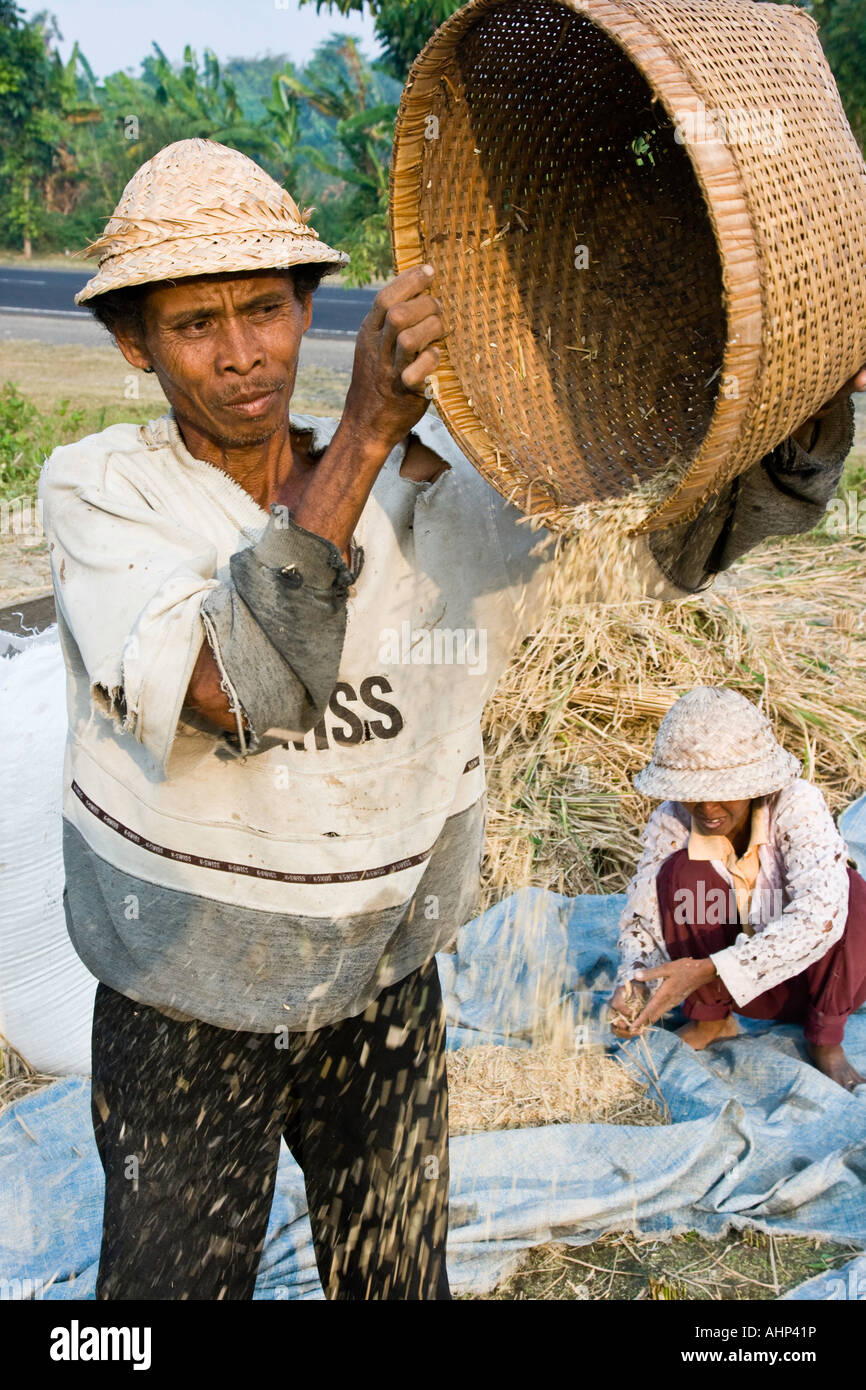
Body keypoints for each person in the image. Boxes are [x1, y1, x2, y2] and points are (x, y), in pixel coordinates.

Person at [39, 137, 864, 1300]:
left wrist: (795, 398)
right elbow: (241, 688)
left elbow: (670, 532)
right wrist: (369, 427)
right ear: (133, 342)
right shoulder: (104, 489)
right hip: (187, 1000)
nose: (242, 356)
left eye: (266, 310)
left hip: (378, 992)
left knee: (396, 1282)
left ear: (308, 308)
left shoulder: (424, 500)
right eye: (193, 324)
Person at [609, 686, 866, 1091]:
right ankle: (711, 1021)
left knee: (850, 892)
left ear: (755, 786)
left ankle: (826, 1041)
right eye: (696, 794)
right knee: (680, 874)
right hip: (732, 990)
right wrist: (634, 984)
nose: (708, 810)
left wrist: (707, 969)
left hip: (814, 979)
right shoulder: (672, 819)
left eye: (724, 794)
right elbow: (644, 918)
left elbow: (820, 918)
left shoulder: (797, 805)